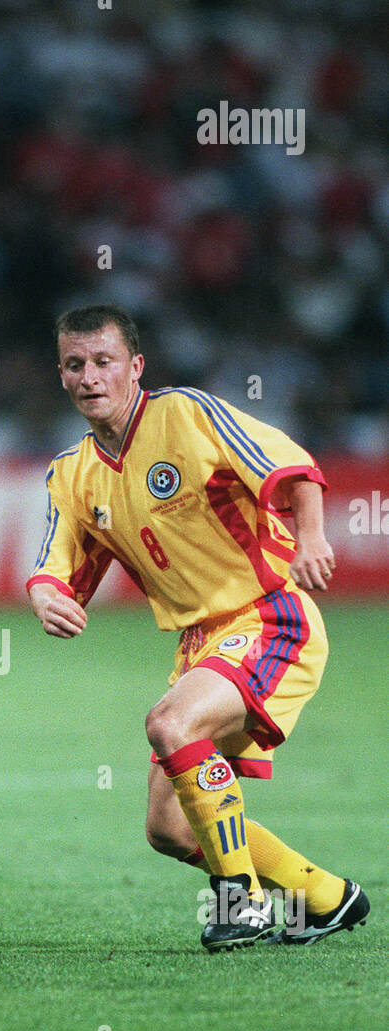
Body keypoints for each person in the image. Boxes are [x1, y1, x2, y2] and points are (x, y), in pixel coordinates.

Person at [27, 304, 369, 952]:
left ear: (135, 367)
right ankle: (326, 898)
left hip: (269, 618)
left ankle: (240, 905)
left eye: (103, 361)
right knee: (170, 831)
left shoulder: (186, 415)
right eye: (75, 364)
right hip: (199, 647)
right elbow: (53, 566)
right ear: (62, 374)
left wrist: (312, 537)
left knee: (170, 723)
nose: (90, 376)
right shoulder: (72, 474)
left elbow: (293, 466)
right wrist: (46, 597)